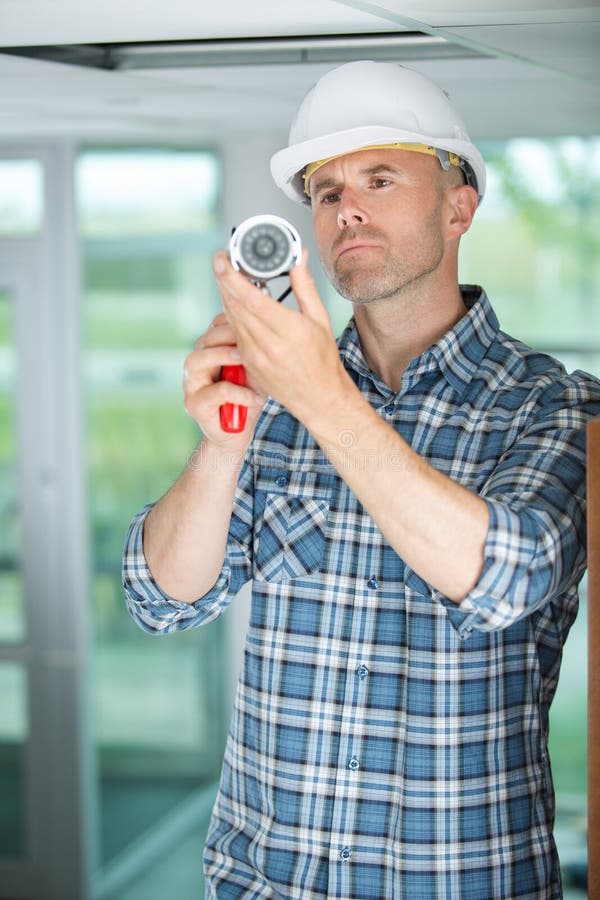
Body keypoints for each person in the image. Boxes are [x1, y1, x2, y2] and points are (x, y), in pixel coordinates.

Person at [122, 60, 600, 899]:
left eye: (380, 178)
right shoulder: (278, 394)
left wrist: (324, 401)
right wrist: (225, 441)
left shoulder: (555, 406)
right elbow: (160, 598)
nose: (347, 209)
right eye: (327, 189)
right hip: (266, 882)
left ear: (460, 206)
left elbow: (504, 577)